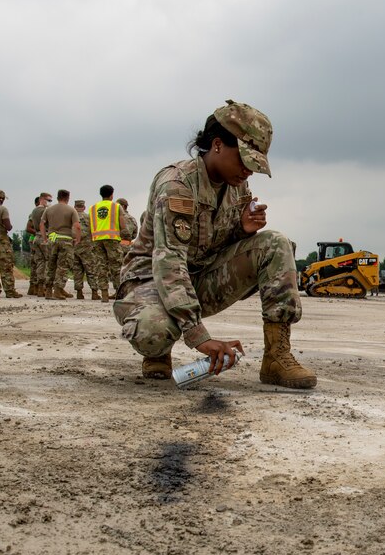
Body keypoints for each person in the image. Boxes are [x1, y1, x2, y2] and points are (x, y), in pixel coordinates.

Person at [114, 99, 316, 388]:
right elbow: (169, 263)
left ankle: (277, 356)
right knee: (153, 332)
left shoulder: (237, 185)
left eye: (254, 164)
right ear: (218, 145)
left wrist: (242, 231)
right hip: (152, 282)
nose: (249, 171)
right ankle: (159, 350)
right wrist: (200, 338)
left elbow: (211, 245)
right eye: (244, 160)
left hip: (200, 277)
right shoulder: (177, 184)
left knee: (275, 243)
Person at [39, 189, 80, 300]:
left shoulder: (48, 210)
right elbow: (77, 226)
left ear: (57, 197)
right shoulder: (71, 210)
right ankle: (57, 290)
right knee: (63, 266)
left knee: (51, 265)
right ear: (68, 198)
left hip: (52, 239)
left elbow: (42, 224)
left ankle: (48, 291)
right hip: (66, 240)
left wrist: (45, 238)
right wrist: (77, 239)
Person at [89, 184, 124, 301]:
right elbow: (123, 225)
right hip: (112, 239)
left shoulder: (93, 208)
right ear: (112, 194)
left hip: (97, 240)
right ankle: (119, 292)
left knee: (100, 266)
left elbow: (90, 226)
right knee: (116, 266)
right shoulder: (116, 207)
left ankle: (104, 293)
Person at [25, 193, 52, 296]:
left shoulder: (34, 211)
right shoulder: (45, 211)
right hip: (44, 237)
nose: (49, 203)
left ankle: (38, 287)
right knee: (48, 263)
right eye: (48, 200)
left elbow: (29, 226)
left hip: (36, 238)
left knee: (39, 263)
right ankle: (44, 287)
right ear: (42, 199)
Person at [70, 199, 96, 299]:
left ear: (75, 207)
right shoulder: (89, 217)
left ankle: (79, 292)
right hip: (87, 247)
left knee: (77, 270)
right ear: (84, 207)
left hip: (75, 246)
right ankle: (94, 292)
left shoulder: (71, 218)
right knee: (90, 270)